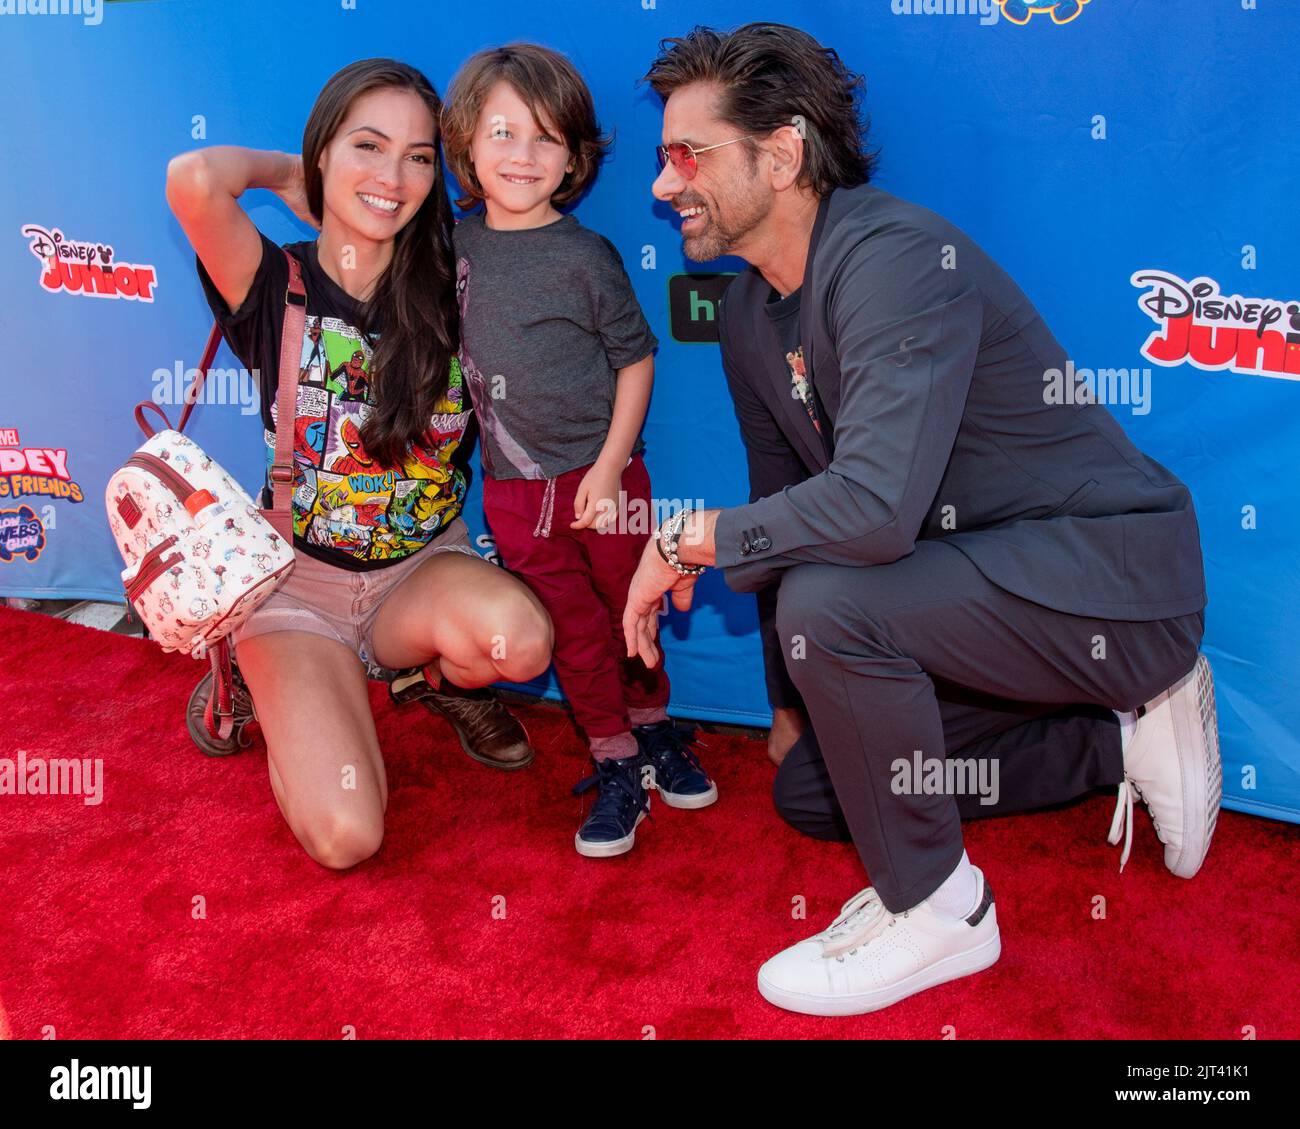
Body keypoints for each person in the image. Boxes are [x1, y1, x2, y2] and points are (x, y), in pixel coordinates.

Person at [625, 23, 1221, 1015]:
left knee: (832, 599)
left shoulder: (896, 258)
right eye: (661, 158)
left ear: (781, 153)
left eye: (688, 156)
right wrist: (787, 703)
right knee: (815, 788)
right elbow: (781, 502)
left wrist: (683, 538)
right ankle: (1115, 743)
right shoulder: (745, 314)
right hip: (973, 596)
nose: (662, 185)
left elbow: (866, 512)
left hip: (1112, 585)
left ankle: (943, 914)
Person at [166, 58, 553, 869]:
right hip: (293, 589)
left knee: (521, 644)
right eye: (367, 147)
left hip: (419, 573)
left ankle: (420, 676)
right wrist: (285, 177)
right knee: (348, 837)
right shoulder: (276, 281)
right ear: (325, 156)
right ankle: (271, 680)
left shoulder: (457, 288)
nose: (393, 176)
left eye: (417, 157)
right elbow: (194, 179)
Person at [440, 43, 717, 858]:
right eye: (501, 133)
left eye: (545, 138)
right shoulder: (450, 245)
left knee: (634, 611)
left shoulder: (585, 257)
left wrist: (605, 468)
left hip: (609, 481)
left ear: (574, 157)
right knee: (573, 630)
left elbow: (637, 359)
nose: (522, 156)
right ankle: (614, 757)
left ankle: (655, 726)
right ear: (466, 144)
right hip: (514, 496)